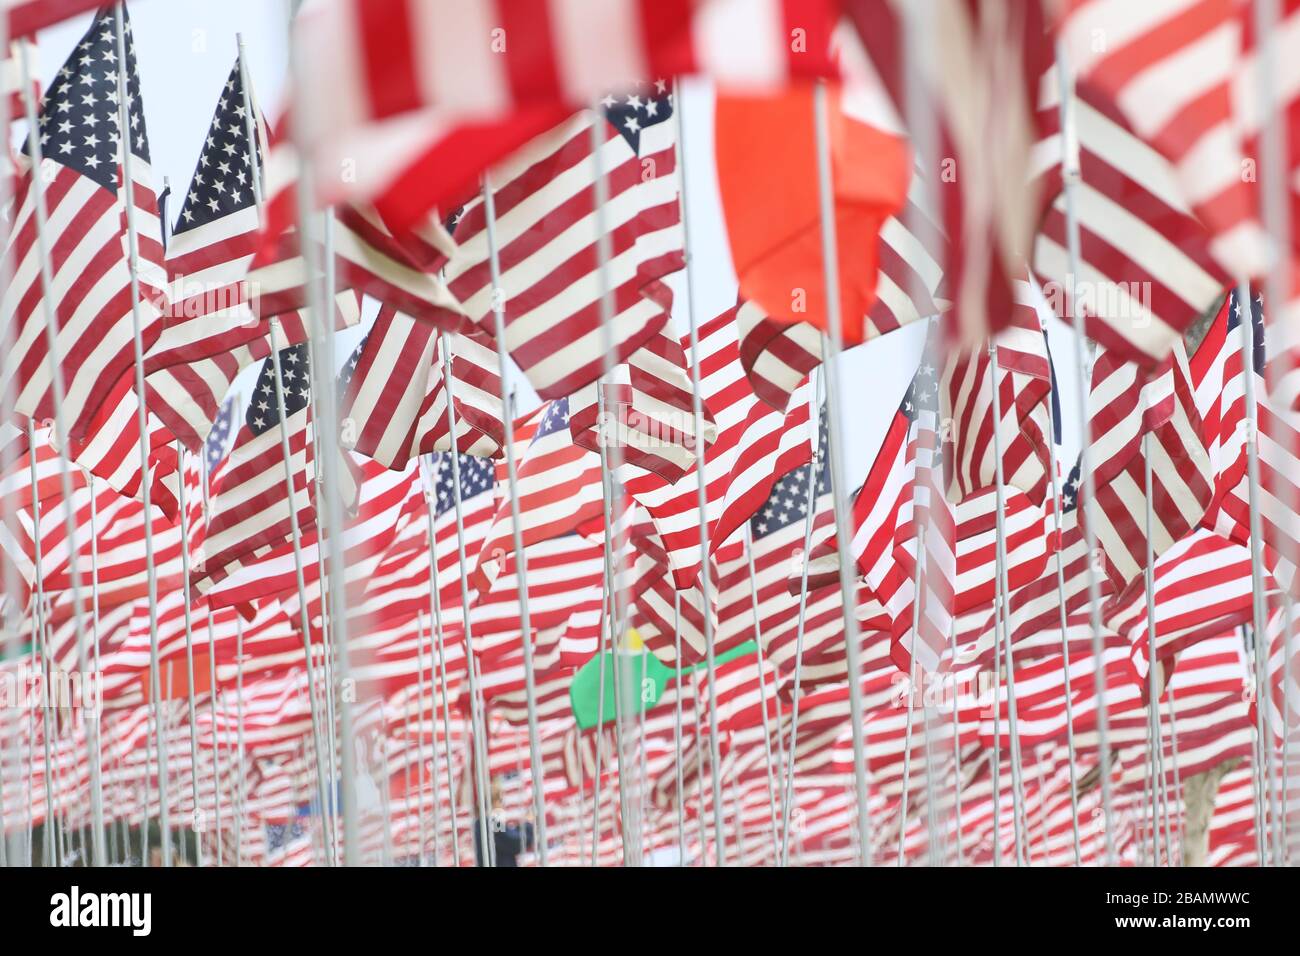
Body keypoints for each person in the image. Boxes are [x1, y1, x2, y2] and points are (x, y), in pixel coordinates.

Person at [473, 777, 535, 867]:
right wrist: (528, 824)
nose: (503, 805)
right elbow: (514, 841)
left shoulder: (483, 823)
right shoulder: (492, 822)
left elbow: (507, 836)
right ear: (493, 802)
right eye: (500, 801)